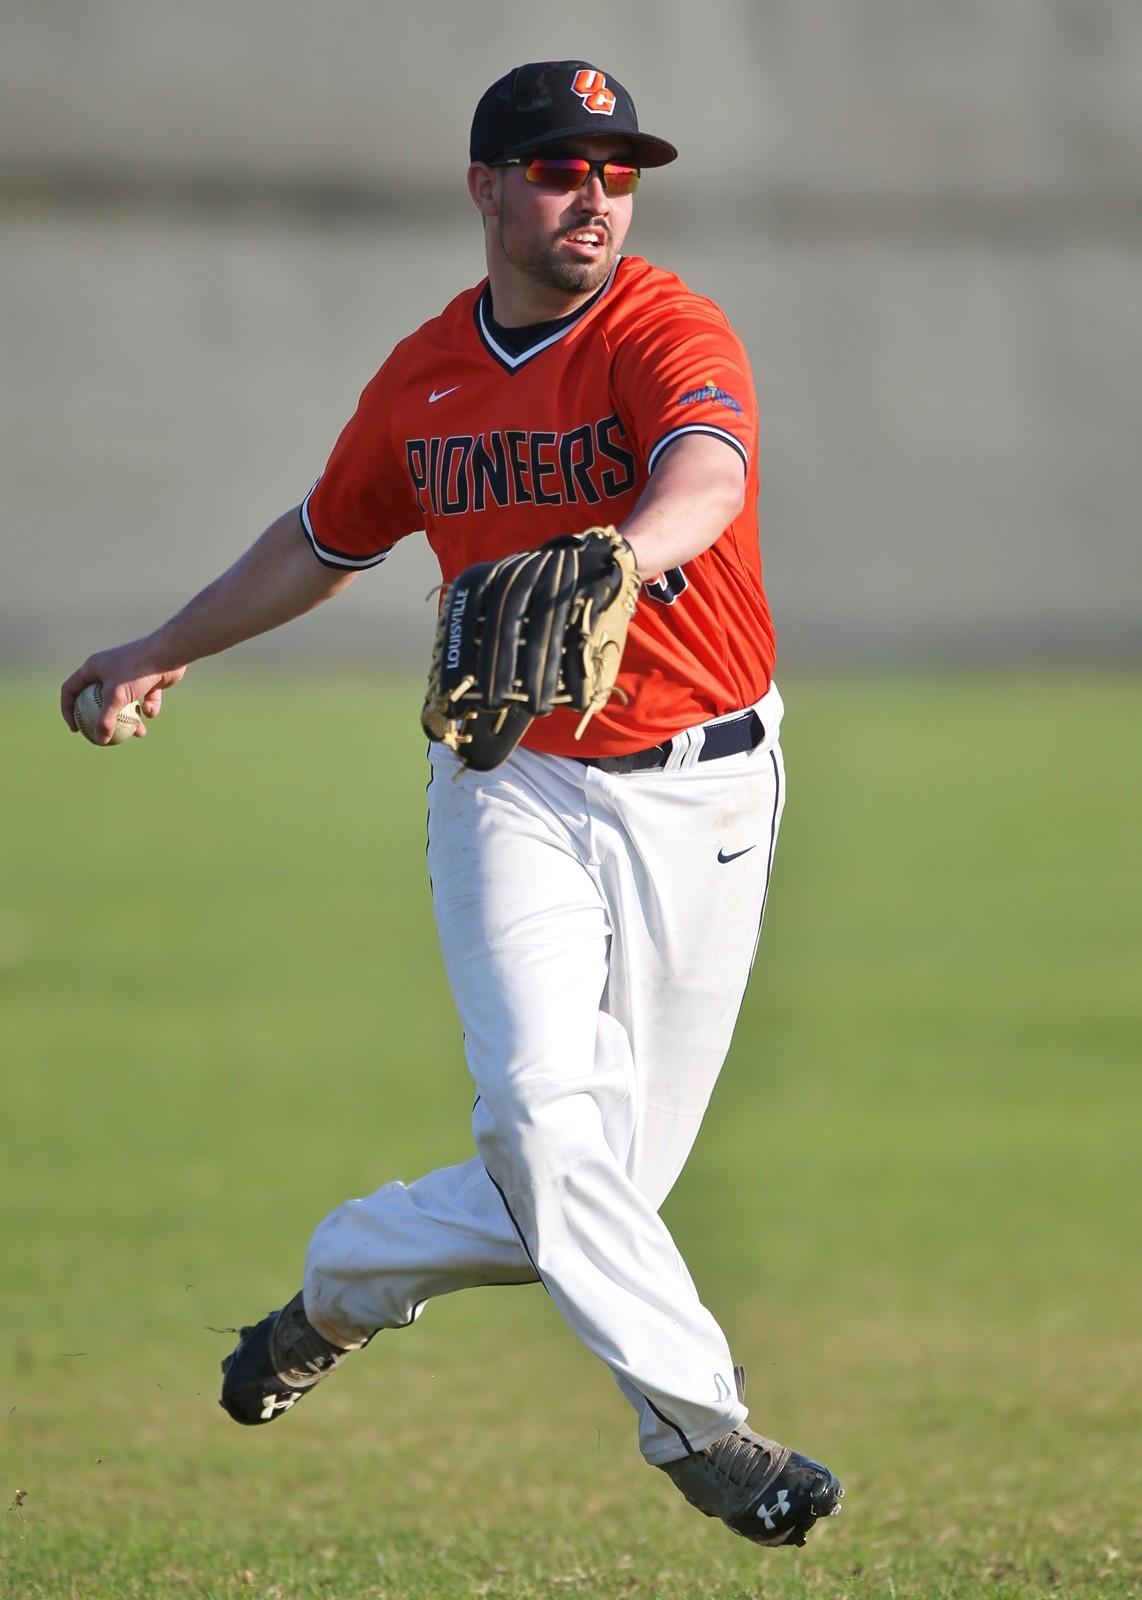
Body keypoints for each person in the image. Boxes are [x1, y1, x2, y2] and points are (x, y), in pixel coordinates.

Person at [61, 61, 843, 1550]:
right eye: (560, 170)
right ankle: (703, 1429)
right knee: (549, 1123)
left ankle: (337, 1290)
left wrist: (625, 552)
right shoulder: (427, 375)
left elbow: (708, 467)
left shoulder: (661, 325)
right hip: (515, 781)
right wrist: (159, 647)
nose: (595, 198)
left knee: (587, 1192)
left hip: (706, 787)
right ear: (486, 188)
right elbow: (321, 537)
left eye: (617, 173)